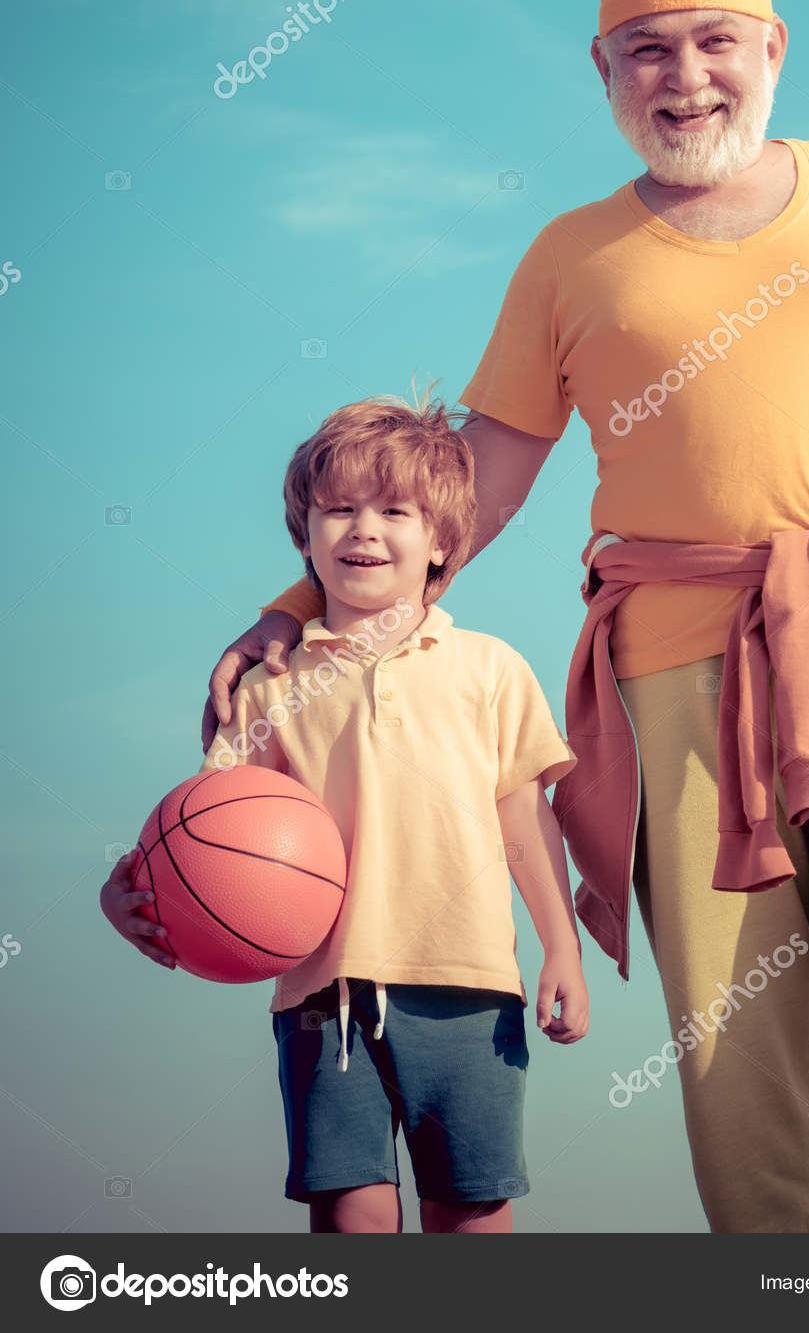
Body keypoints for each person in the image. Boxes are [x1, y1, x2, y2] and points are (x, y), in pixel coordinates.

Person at [201, 0, 809, 1234]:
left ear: (773, 52)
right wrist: (297, 610)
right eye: (648, 51)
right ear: (602, 71)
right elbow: (477, 485)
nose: (687, 76)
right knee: (738, 1077)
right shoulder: (571, 255)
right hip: (679, 688)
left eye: (718, 42)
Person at [101, 393, 587, 1235]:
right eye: (338, 511)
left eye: (394, 510)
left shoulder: (490, 669)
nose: (364, 529)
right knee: (352, 1215)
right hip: (324, 993)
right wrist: (125, 898)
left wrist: (562, 950)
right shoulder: (269, 683)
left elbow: (524, 817)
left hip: (469, 984)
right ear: (305, 537)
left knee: (473, 1212)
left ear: (442, 541)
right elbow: (208, 834)